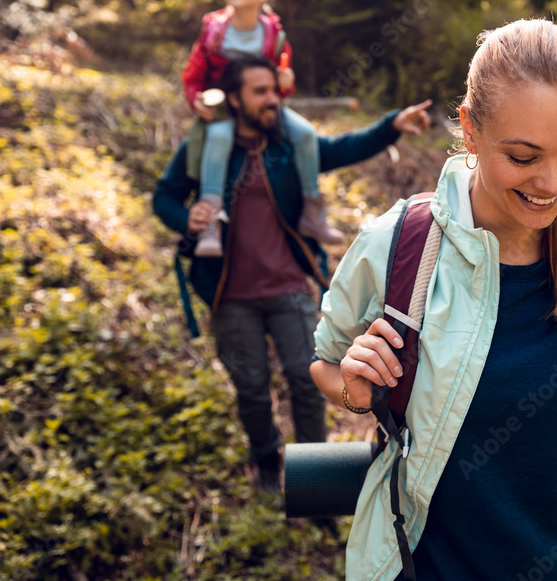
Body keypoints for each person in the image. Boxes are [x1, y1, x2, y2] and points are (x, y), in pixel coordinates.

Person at [310, 19, 557, 580]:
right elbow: (325, 363)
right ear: (470, 130)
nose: (551, 183)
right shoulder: (397, 246)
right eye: (523, 157)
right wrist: (353, 392)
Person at [155, 55, 433, 492]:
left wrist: (391, 125)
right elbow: (164, 197)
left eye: (274, 90)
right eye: (260, 92)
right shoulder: (208, 148)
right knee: (250, 388)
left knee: (308, 383)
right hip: (229, 296)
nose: (273, 99)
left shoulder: (287, 148)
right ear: (234, 98)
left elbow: (342, 148)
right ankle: (266, 459)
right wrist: (186, 218)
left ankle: (313, 479)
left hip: (289, 289)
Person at [182, 0, 344, 256]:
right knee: (218, 137)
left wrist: (286, 81)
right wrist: (196, 99)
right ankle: (210, 223)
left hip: (262, 106)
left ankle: (312, 212)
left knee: (306, 133)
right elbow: (193, 75)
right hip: (226, 107)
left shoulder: (273, 34)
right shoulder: (213, 31)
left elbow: (283, 85)